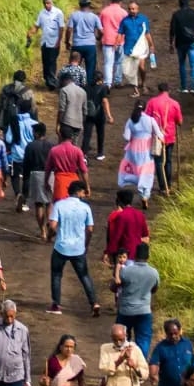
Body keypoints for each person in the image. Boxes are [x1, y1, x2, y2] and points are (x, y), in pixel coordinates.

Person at [48, 178, 100, 315]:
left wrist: (52, 235)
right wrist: (86, 244)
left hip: (61, 246)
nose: (85, 194)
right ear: (78, 192)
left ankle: (56, 304)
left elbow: (52, 225)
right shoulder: (85, 207)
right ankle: (94, 302)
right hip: (78, 248)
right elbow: (90, 229)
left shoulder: (59, 204)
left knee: (57, 275)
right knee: (84, 276)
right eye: (83, 191)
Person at [113, 243, 159, 356]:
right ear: (148, 256)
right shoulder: (153, 273)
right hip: (144, 311)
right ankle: (140, 363)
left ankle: (121, 362)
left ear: (135, 255)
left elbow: (114, 286)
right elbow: (154, 289)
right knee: (143, 340)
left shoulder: (126, 271)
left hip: (126, 310)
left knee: (121, 339)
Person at [149, 319, 194, 386]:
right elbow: (154, 363)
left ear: (180, 331)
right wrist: (153, 374)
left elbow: (193, 362)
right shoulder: (161, 347)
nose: (174, 336)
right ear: (166, 333)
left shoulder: (187, 344)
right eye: (170, 334)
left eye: (175, 333)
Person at [118, 99, 161, 206]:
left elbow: (127, 137)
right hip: (146, 150)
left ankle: (142, 192)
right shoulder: (150, 120)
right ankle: (145, 195)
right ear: (145, 108)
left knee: (136, 172)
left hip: (133, 150)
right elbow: (159, 135)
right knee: (147, 173)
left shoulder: (131, 120)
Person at [145, 84, 183, 195]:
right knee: (169, 161)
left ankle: (162, 187)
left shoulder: (152, 102)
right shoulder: (175, 103)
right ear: (168, 90)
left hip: (157, 137)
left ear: (159, 90)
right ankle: (168, 185)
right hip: (170, 136)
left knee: (158, 162)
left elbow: (147, 118)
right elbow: (179, 121)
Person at [26, 0, 66, 90]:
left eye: (48, 3)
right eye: (45, 3)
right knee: (45, 62)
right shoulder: (42, 13)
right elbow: (37, 26)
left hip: (54, 42)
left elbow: (61, 28)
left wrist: (58, 41)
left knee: (51, 62)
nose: (46, 5)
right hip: (45, 42)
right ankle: (48, 80)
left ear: (51, 2)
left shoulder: (58, 13)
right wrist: (30, 33)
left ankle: (52, 83)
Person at [168, 0, 194, 95]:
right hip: (193, 42)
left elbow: (172, 30)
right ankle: (193, 87)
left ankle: (184, 87)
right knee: (193, 65)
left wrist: (171, 44)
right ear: (188, 4)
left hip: (180, 43)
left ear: (179, 4)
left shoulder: (176, 15)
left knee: (182, 64)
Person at [104, 188, 149, 267]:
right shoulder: (140, 214)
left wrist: (108, 252)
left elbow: (116, 237)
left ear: (120, 201)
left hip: (126, 252)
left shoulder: (121, 216)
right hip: (138, 252)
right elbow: (145, 234)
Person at [22, 120, 54, 225]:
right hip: (50, 175)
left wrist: (25, 180)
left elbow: (26, 165)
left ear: (36, 133)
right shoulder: (51, 146)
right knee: (49, 202)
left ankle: (42, 231)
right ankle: (50, 224)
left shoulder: (30, 146)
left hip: (36, 175)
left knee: (39, 204)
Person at [45, 127, 88, 203]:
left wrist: (46, 182)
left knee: (59, 205)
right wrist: (87, 186)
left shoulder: (54, 150)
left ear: (60, 135)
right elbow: (83, 170)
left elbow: (48, 168)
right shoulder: (77, 151)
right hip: (74, 182)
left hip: (60, 182)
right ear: (72, 137)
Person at [117, 1, 152, 96]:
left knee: (141, 67)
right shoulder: (124, 21)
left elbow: (147, 33)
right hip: (129, 47)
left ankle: (143, 83)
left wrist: (151, 45)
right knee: (132, 69)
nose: (131, 10)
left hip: (141, 47)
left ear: (138, 9)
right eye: (130, 9)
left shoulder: (143, 19)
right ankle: (135, 88)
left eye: (133, 9)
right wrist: (117, 43)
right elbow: (120, 32)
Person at [68, 0, 101, 84]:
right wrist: (98, 37)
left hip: (77, 44)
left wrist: (67, 41)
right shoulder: (94, 17)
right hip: (90, 45)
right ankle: (89, 88)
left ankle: (74, 85)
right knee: (90, 68)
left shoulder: (74, 15)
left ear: (79, 4)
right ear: (89, 4)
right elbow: (101, 30)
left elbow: (69, 30)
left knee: (74, 66)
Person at [82, 72, 112, 160]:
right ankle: (100, 153)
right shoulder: (103, 88)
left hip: (89, 113)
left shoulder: (86, 87)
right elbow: (105, 101)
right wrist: (109, 116)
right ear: (101, 79)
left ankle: (84, 153)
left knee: (87, 134)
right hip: (99, 114)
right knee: (100, 133)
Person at [99, 0, 126, 88]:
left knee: (108, 63)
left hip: (107, 40)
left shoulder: (104, 11)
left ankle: (107, 83)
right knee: (119, 62)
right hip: (120, 41)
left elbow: (100, 27)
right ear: (120, 2)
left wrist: (99, 37)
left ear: (111, 1)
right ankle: (118, 81)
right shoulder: (123, 12)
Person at [58, 70, 86, 141]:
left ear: (64, 80)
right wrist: (81, 124)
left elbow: (62, 109)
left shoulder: (64, 90)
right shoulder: (83, 91)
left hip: (66, 123)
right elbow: (85, 111)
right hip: (78, 123)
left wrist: (58, 124)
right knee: (74, 146)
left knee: (63, 145)